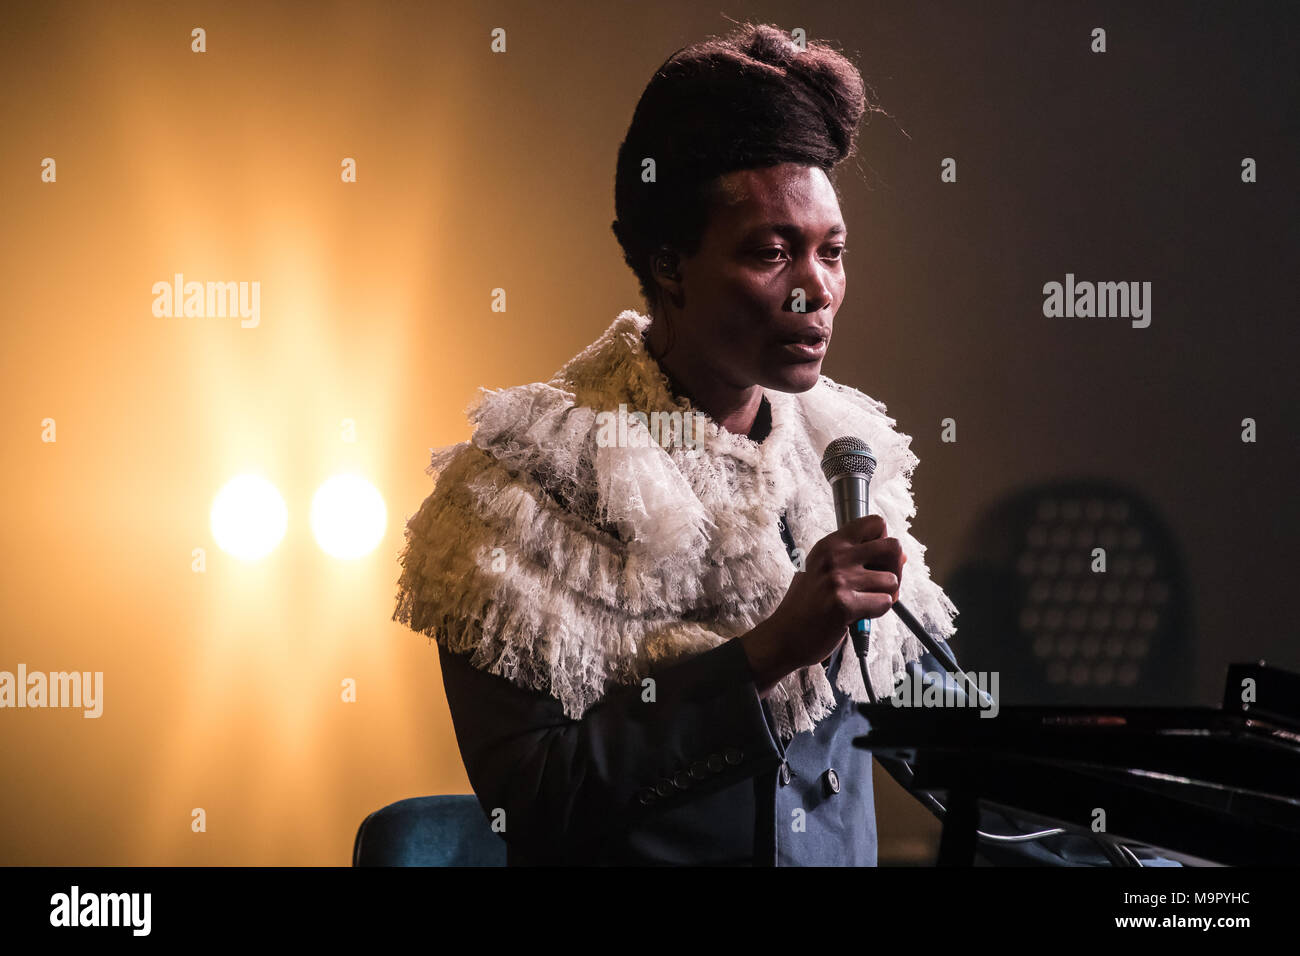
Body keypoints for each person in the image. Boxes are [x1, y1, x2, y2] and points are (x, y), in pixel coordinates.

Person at [392, 22, 1180, 866]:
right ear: (668, 263)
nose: (816, 292)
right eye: (772, 252)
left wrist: (1167, 842)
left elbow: (952, 761)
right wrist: (769, 652)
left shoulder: (841, 457)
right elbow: (536, 798)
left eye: (831, 252)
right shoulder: (522, 487)